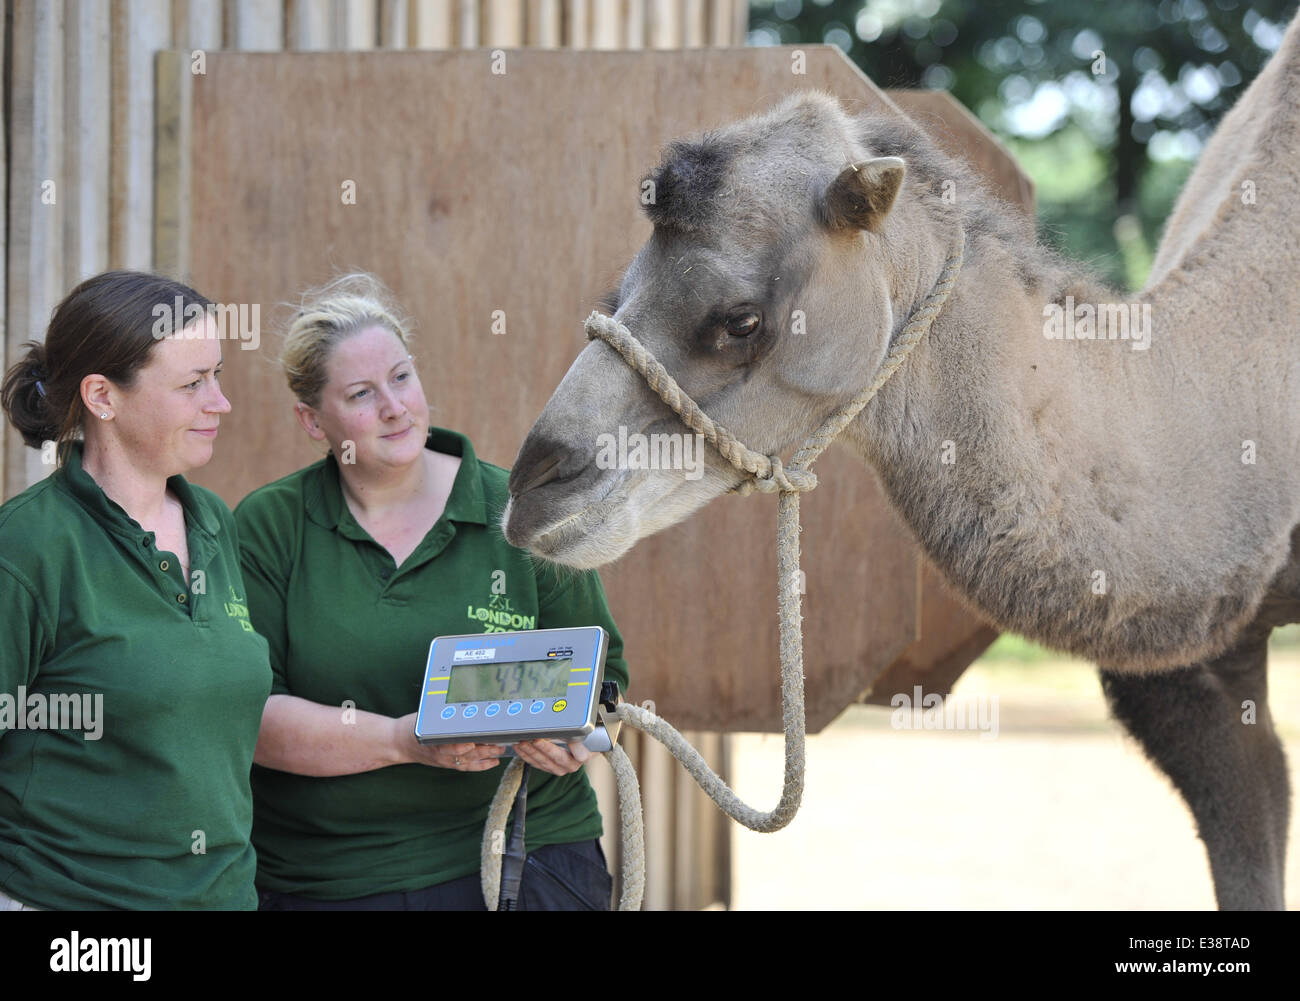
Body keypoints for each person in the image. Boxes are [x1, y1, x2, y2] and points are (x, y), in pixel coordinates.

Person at [235, 273, 629, 910]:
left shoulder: (521, 511)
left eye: (401, 376)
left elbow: (602, 674)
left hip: (523, 856)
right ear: (312, 420)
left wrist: (570, 734)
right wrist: (402, 740)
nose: (394, 406)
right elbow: (249, 716)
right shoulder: (269, 526)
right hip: (332, 879)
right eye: (362, 394)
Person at [0, 270, 273, 910]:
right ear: (102, 396)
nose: (220, 402)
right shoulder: (28, 547)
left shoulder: (213, 522)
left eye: (218, 375)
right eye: (192, 384)